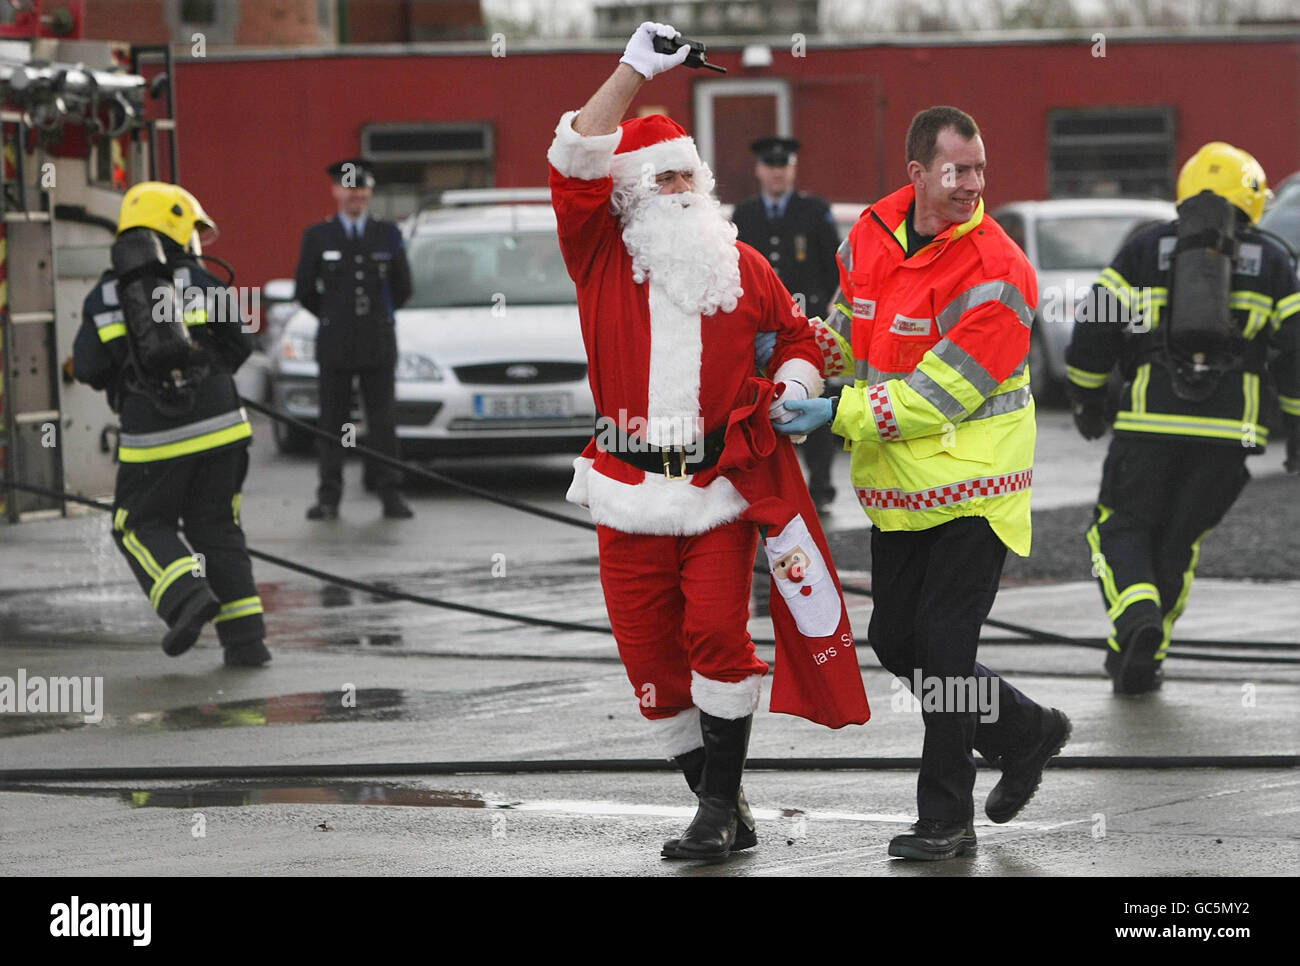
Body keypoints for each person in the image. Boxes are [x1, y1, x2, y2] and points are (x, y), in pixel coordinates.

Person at [548, 21, 867, 862]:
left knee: (721, 641)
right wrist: (631, 70)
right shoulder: (599, 257)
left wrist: (798, 386)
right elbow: (576, 153)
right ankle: (719, 801)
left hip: (719, 489)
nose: (686, 187)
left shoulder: (742, 264)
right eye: (666, 177)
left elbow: (799, 336)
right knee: (652, 672)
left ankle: (716, 811)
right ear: (629, 193)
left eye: (693, 172)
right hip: (625, 492)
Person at [779, 106, 1071, 860]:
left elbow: (938, 397)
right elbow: (850, 333)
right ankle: (1025, 730)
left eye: (979, 169)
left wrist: (831, 411)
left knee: (943, 652)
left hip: (977, 489)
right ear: (917, 174)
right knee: (894, 637)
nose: (974, 185)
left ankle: (946, 818)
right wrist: (807, 354)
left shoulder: (1001, 272)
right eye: (957, 170)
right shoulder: (870, 236)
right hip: (902, 491)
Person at [1065, 141, 1300, 695]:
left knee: (1118, 529)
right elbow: (1295, 354)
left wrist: (1088, 398)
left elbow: (1094, 326)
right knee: (1177, 543)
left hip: (1150, 425)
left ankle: (1136, 617)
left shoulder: (1146, 247)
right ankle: (1141, 655)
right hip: (1231, 435)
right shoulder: (1274, 259)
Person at [73, 182, 269, 667]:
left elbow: (88, 367)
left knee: (137, 523)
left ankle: (185, 596)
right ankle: (247, 644)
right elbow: (243, 345)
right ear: (177, 229)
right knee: (218, 526)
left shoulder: (104, 295)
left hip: (154, 436)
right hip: (224, 426)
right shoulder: (202, 282)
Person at [294, 158, 414, 520]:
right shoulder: (318, 236)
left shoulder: (387, 234)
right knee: (332, 422)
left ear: (370, 192)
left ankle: (390, 493)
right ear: (336, 191)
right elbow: (304, 290)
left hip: (377, 341)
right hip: (335, 343)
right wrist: (334, 317)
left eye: (362, 189)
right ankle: (328, 497)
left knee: (383, 423)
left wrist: (373, 317)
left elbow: (403, 288)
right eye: (349, 188)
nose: (356, 195)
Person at [733, 136, 843, 514]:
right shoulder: (744, 215)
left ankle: (821, 486)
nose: (777, 173)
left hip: (804, 324)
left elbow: (834, 268)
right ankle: (767, 487)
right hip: (757, 328)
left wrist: (825, 312)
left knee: (809, 403)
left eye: (784, 166)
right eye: (771, 166)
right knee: (760, 405)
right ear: (759, 170)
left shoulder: (814, 211)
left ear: (792, 170)